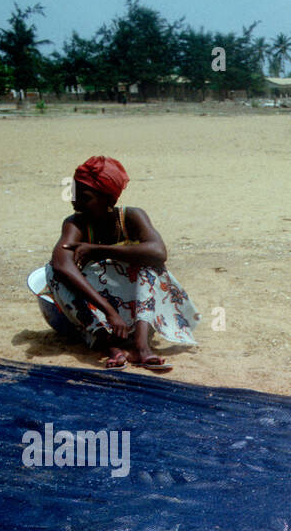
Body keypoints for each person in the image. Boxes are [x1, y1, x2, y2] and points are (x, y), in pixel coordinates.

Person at [45, 156, 199, 372]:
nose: (75, 203)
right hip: (101, 309)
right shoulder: (75, 224)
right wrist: (109, 311)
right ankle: (110, 346)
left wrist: (97, 250)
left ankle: (141, 346)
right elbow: (62, 264)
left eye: (85, 198)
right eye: (74, 194)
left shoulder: (132, 217)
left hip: (135, 310)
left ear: (110, 201)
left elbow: (158, 252)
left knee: (150, 267)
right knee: (53, 271)